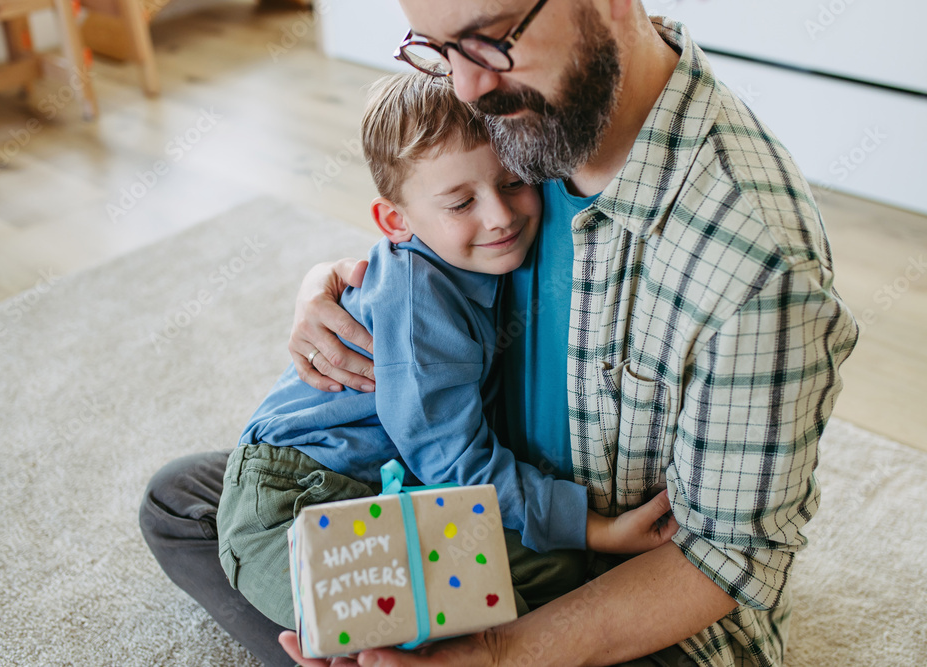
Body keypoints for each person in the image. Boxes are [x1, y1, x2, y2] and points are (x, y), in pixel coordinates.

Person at [143, 1, 859, 666]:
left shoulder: (759, 266)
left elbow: (727, 559)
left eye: (489, 38)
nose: (466, 85)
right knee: (183, 500)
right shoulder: (524, 124)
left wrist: (496, 652)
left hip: (625, 591)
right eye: (439, 48)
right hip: (480, 502)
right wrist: (336, 284)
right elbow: (423, 228)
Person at [215, 70, 677, 631]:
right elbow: (454, 465)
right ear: (396, 221)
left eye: (512, 183)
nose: (500, 217)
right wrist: (596, 527)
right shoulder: (419, 299)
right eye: (461, 203)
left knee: (557, 569)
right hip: (291, 501)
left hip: (389, 490)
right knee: (425, 631)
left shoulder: (477, 258)